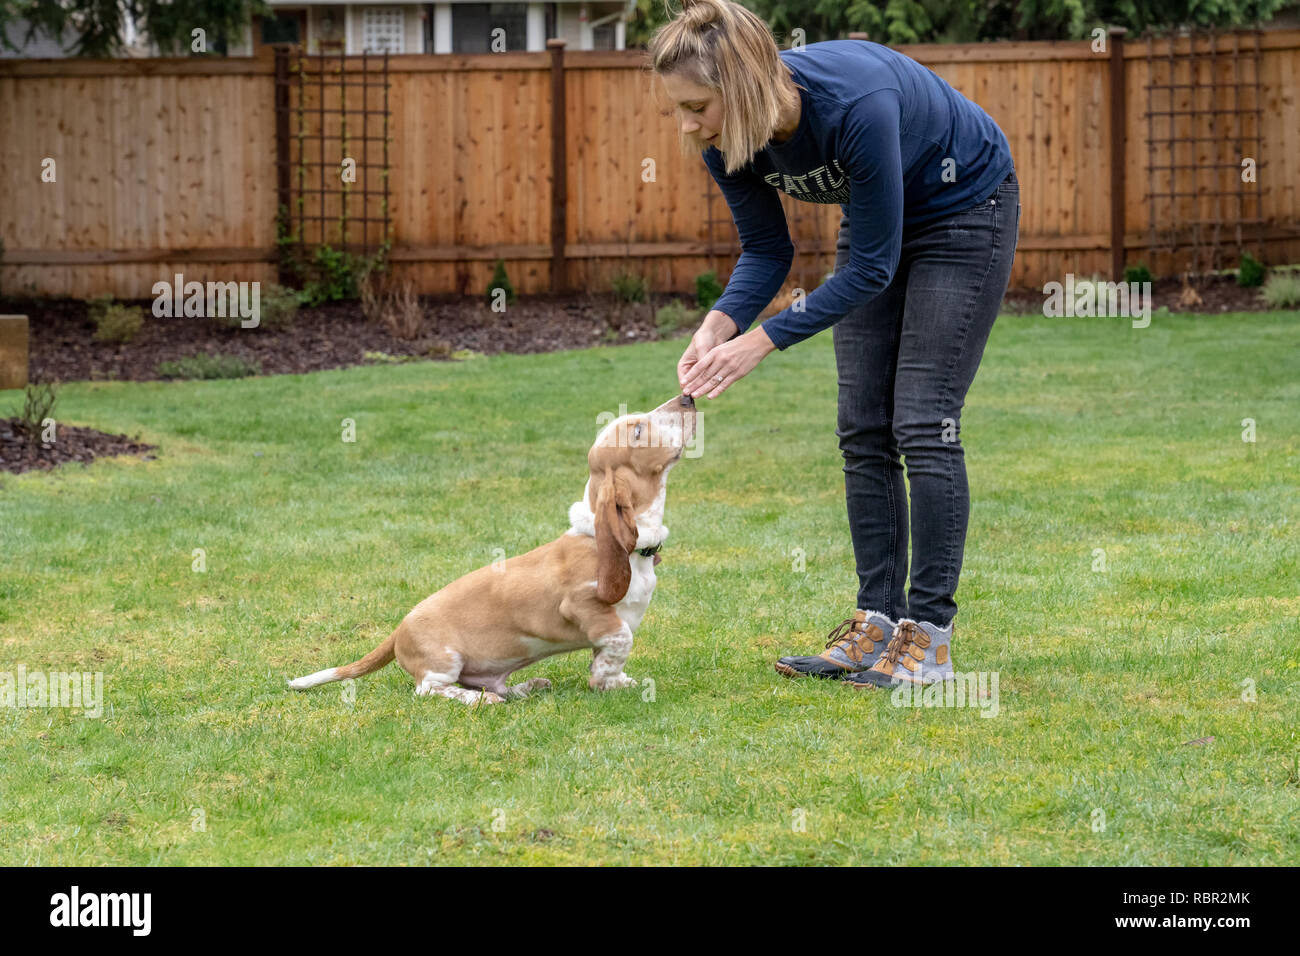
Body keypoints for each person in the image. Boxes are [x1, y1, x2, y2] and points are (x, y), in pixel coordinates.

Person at [648, 0, 1020, 689]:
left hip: (965, 209)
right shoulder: (726, 145)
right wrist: (722, 320)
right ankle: (876, 622)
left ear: (745, 85)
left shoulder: (857, 106)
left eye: (697, 106)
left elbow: (873, 267)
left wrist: (760, 342)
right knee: (861, 427)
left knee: (923, 420)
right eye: (679, 108)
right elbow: (766, 249)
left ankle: (928, 638)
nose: (687, 124)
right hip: (880, 226)